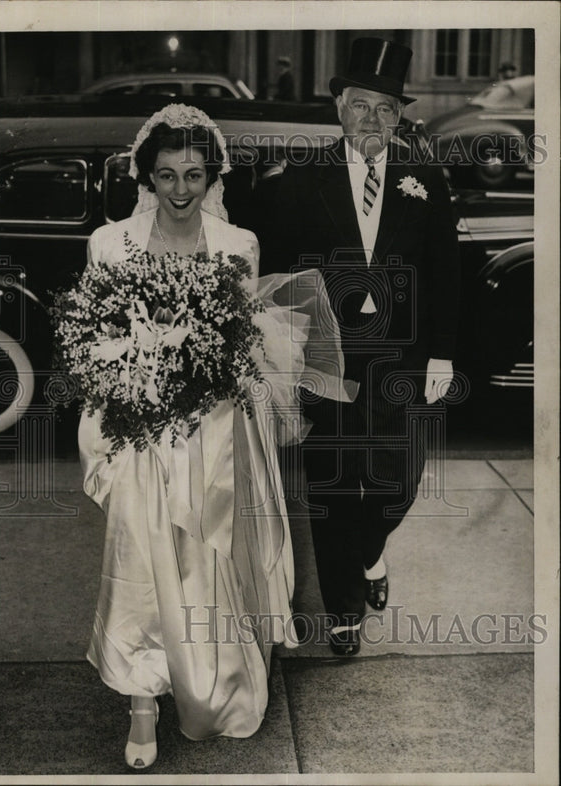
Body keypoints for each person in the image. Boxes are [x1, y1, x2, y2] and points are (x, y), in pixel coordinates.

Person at [78, 105, 300, 769]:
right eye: (168, 174)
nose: (181, 189)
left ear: (213, 177)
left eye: (195, 175)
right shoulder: (109, 243)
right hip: (141, 435)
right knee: (142, 564)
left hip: (215, 434)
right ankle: (143, 698)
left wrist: (222, 376)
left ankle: (212, 681)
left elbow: (251, 342)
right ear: (145, 175)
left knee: (206, 565)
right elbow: (94, 343)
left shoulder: (240, 245)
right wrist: (135, 385)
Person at [265, 38, 460, 656]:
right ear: (338, 108)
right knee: (329, 484)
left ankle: (372, 551)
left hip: (403, 358)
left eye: (385, 109)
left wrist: (443, 353)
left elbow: (445, 272)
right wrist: (288, 352)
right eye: (360, 106)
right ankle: (345, 608)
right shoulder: (301, 181)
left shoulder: (423, 179)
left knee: (398, 480)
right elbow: (277, 274)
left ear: (399, 117)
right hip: (329, 361)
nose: (372, 121)